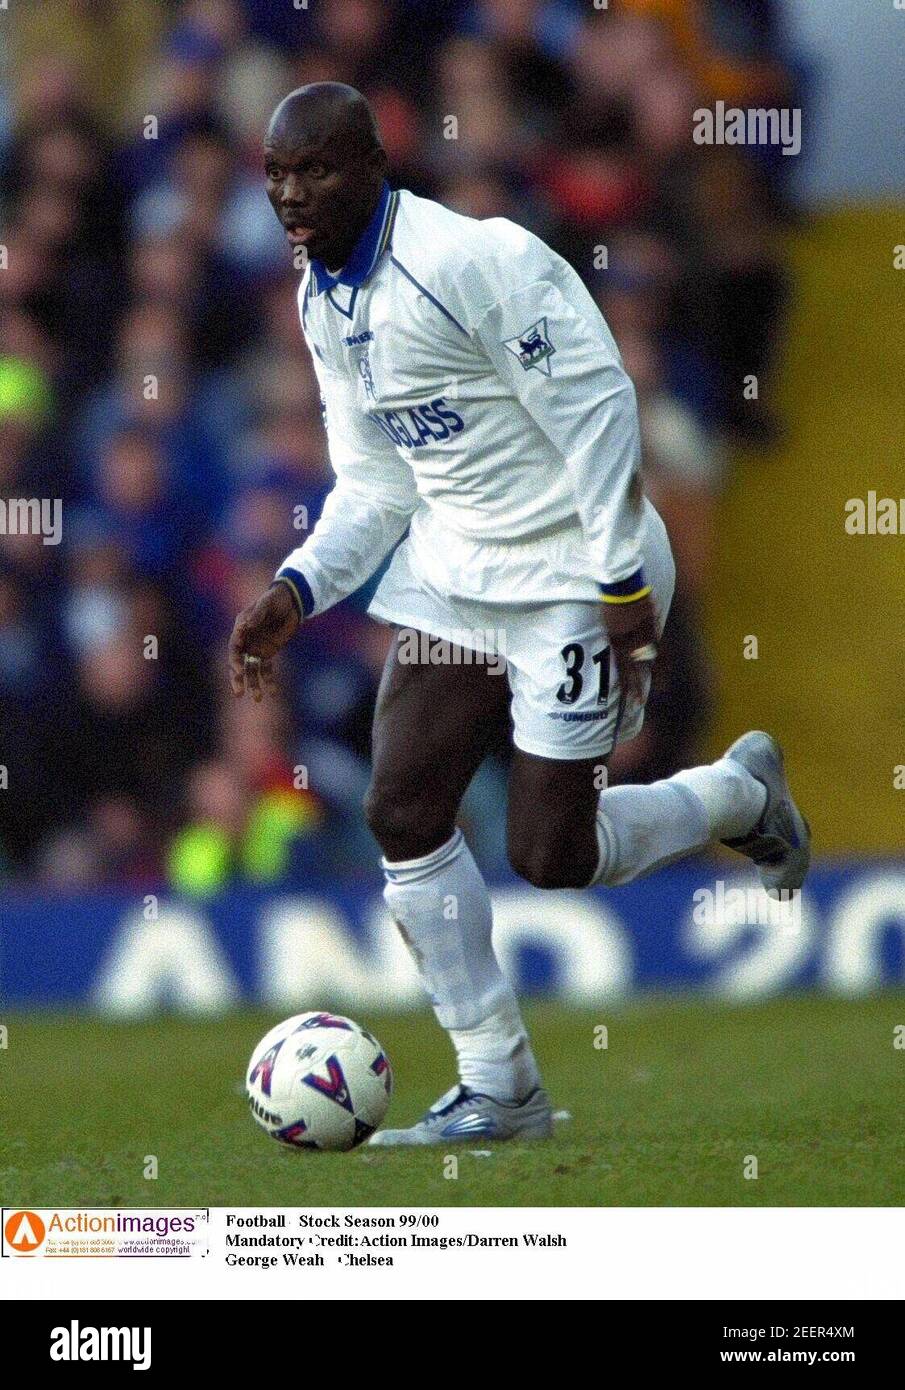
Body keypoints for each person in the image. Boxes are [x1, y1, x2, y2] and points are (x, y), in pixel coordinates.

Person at [228, 83, 810, 1146]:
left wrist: (619, 579)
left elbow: (594, 402)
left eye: (311, 168)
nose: (289, 193)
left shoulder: (472, 261)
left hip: (572, 576)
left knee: (553, 852)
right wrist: (298, 585)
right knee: (402, 809)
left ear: (370, 162)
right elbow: (374, 480)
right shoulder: (321, 295)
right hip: (454, 571)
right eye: (273, 173)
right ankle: (500, 1085)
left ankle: (733, 795)